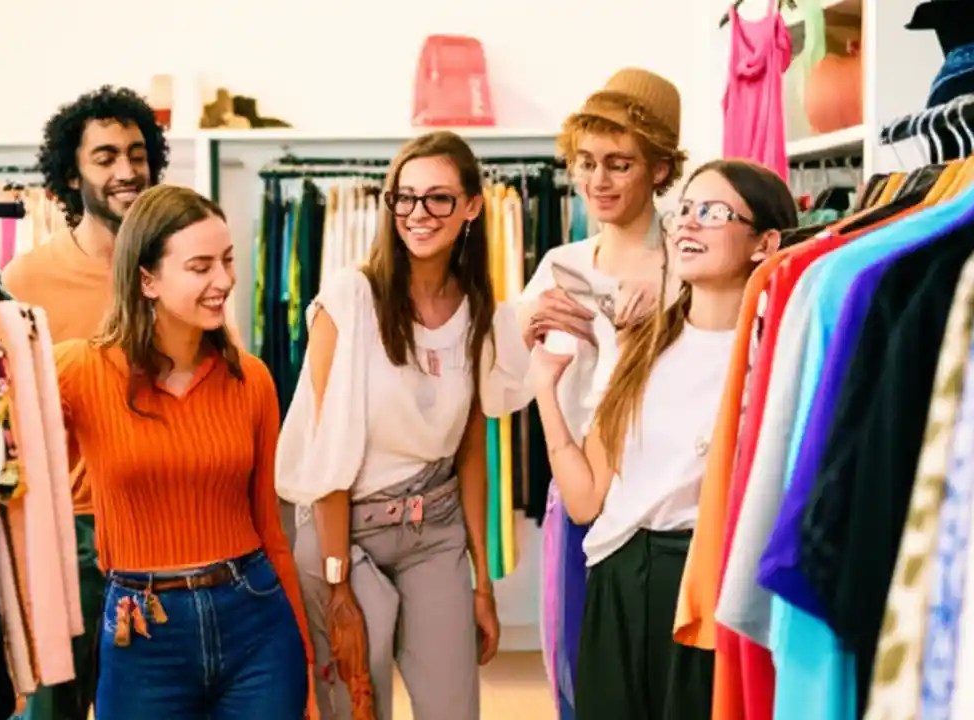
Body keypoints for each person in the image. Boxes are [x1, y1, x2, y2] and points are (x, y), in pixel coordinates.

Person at [276, 130, 530, 720]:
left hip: (433, 532)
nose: (418, 213)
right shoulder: (350, 298)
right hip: (347, 533)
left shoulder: (477, 309)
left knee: (454, 709)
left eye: (438, 198)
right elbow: (327, 450)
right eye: (405, 198)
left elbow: (471, 448)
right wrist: (336, 584)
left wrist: (483, 582)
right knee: (361, 707)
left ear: (471, 206)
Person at [529, 159, 797, 719]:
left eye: (714, 212)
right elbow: (585, 500)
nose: (689, 225)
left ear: (764, 242)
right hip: (617, 580)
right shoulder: (640, 349)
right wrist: (545, 393)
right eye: (686, 210)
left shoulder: (771, 360)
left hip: (706, 583)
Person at [54, 184, 312, 718]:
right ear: (147, 278)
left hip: (255, 619)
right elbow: (20, 492)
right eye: (200, 267)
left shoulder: (252, 380)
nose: (223, 281)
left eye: (227, 261)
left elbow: (271, 529)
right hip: (141, 628)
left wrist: (305, 656)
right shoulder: (79, 372)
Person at [511, 67, 687, 715]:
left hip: (670, 499)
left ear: (661, 170)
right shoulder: (562, 265)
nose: (597, 181)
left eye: (619, 164)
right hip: (583, 488)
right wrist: (524, 328)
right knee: (586, 682)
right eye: (586, 163)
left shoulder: (690, 265)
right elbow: (505, 390)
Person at [2, 86, 167, 720]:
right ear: (72, 174)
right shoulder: (24, 281)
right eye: (105, 157)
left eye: (135, 152)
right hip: (69, 530)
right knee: (56, 706)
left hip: (160, 524)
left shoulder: (172, 270)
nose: (125, 171)